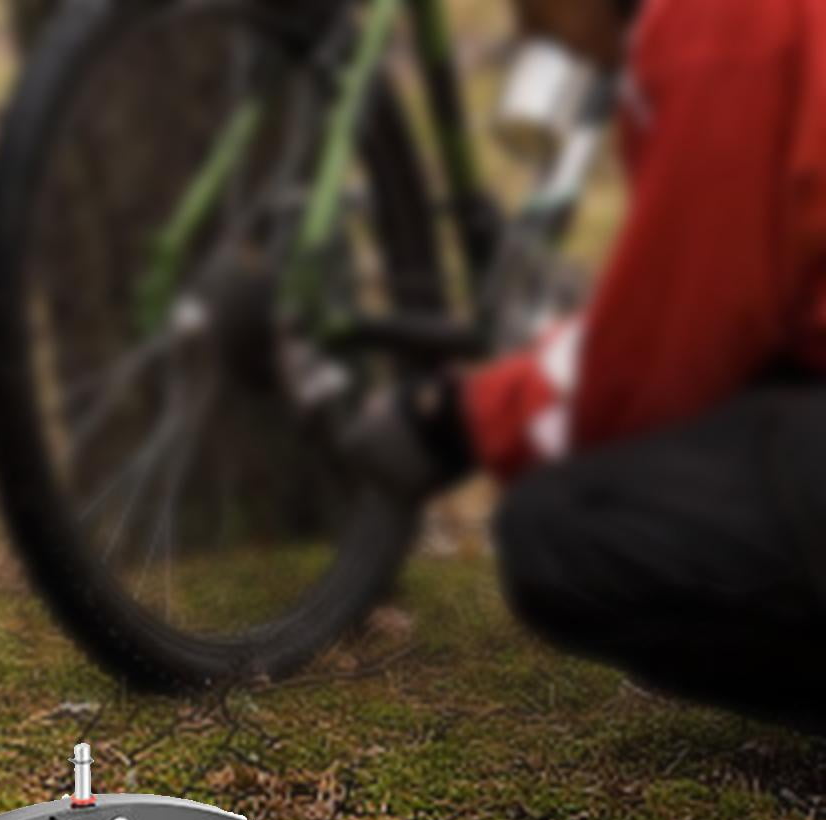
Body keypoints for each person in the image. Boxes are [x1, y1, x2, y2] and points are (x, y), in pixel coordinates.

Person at [348, 0, 826, 729]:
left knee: (565, 527)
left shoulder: (718, 27)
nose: (539, 34)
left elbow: (674, 349)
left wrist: (462, 420)